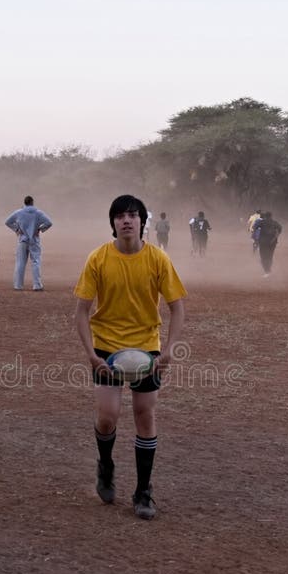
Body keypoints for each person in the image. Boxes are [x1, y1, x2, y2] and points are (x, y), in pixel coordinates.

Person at [74, 194, 186, 521]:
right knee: (108, 416)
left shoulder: (157, 259)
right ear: (112, 223)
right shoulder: (98, 259)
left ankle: (143, 490)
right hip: (107, 349)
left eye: (133, 215)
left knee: (144, 415)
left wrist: (167, 351)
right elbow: (81, 312)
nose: (126, 220)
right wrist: (92, 354)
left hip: (145, 349)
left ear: (142, 221)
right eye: (120, 215)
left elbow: (177, 308)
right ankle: (106, 465)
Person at [4, 195, 53, 290]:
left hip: (22, 239)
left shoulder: (19, 212)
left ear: (24, 203)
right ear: (32, 202)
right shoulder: (38, 213)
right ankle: (37, 285)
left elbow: (7, 222)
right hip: (34, 240)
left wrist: (17, 229)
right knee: (36, 262)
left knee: (20, 262)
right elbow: (49, 222)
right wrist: (40, 229)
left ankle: (18, 285)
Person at [254, 211, 282, 276]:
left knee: (263, 256)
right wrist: (276, 237)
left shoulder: (262, 222)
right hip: (272, 242)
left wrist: (256, 238)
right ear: (271, 216)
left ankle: (267, 270)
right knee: (270, 256)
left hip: (263, 242)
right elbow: (280, 229)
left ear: (265, 216)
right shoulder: (274, 222)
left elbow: (255, 227)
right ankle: (268, 269)